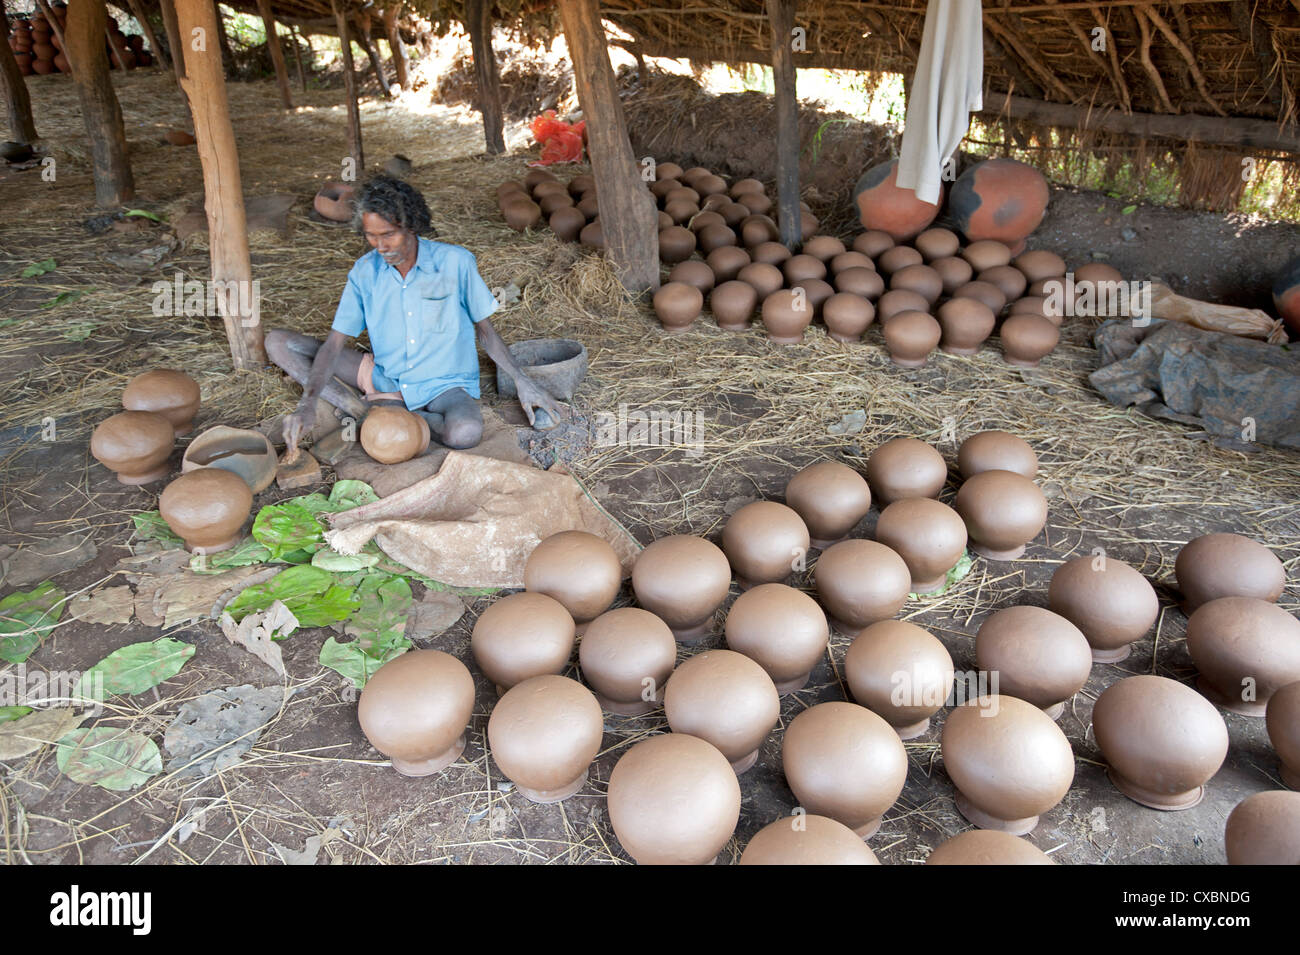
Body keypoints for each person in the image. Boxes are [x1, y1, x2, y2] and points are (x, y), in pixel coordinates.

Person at [267, 175, 560, 457]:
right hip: (384, 378)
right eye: (371, 236)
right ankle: (358, 408)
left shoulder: (455, 262)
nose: (381, 246)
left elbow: (486, 331)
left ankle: (398, 416)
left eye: (388, 235)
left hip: (445, 385)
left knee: (465, 433)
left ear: (411, 225)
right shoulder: (364, 272)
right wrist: (308, 401)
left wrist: (522, 381)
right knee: (277, 342)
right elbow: (333, 344)